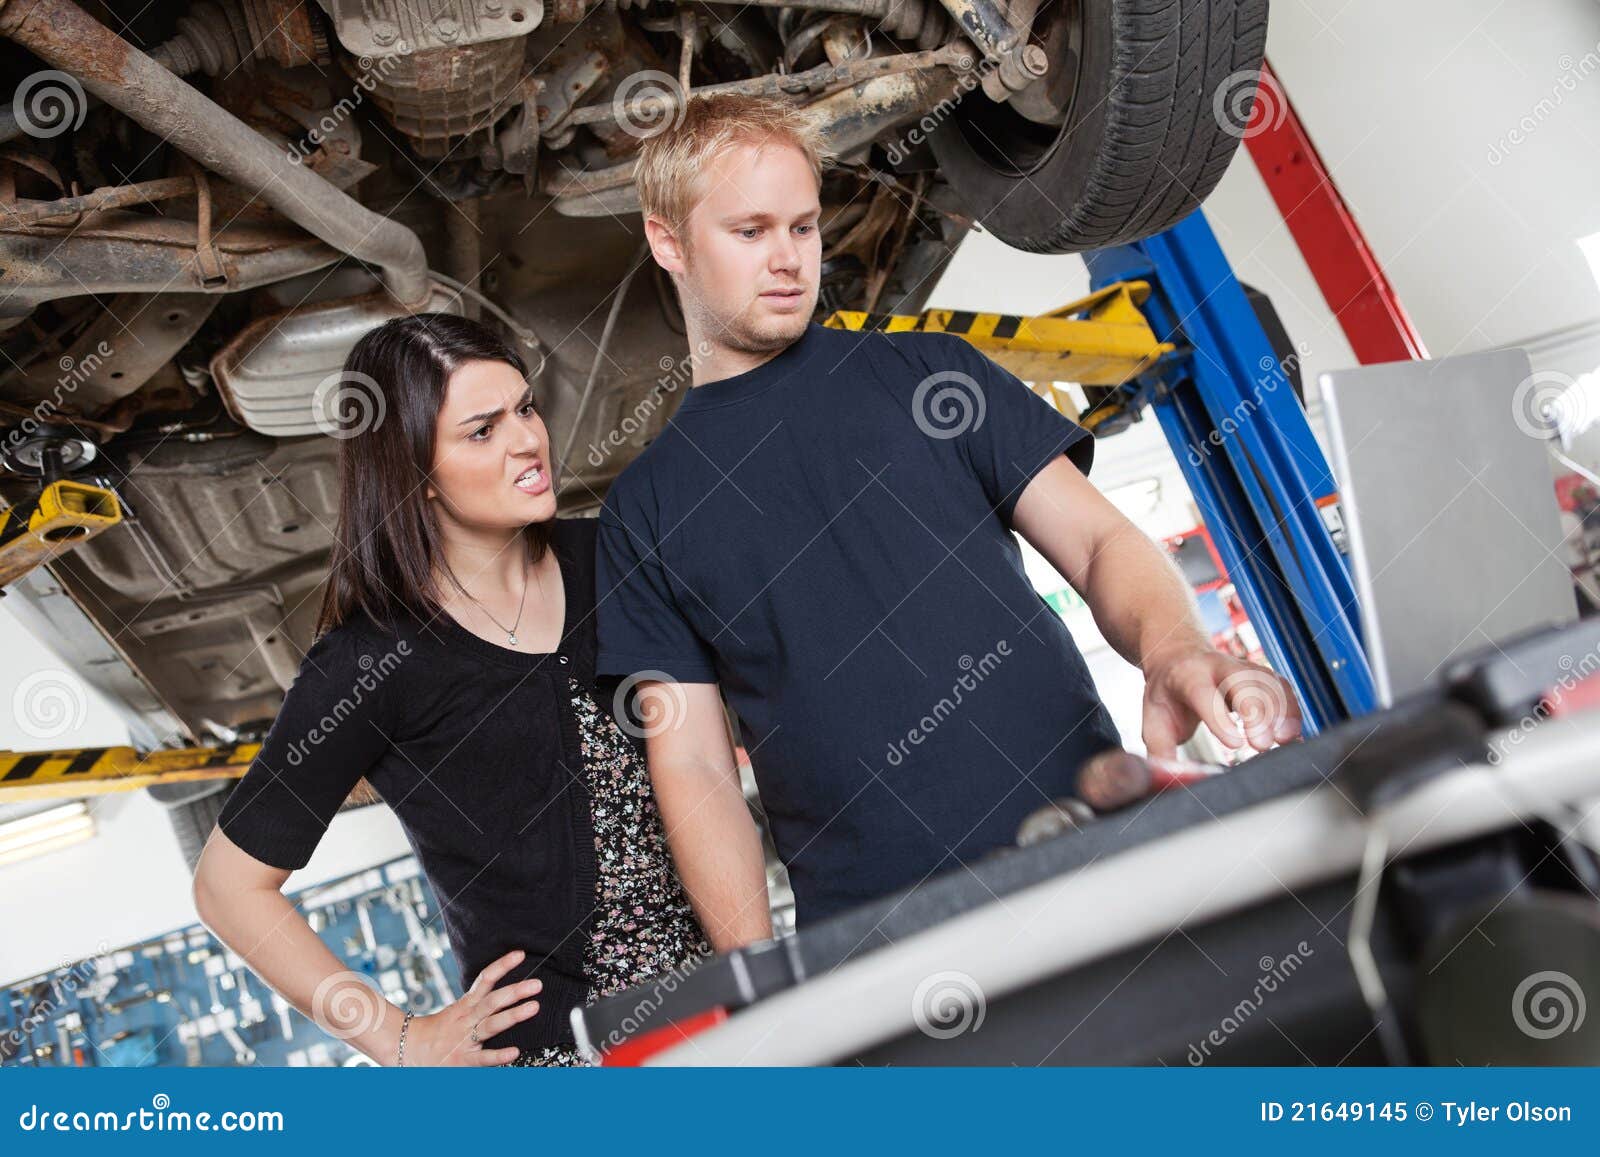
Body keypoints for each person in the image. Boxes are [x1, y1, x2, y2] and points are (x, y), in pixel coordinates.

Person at [593, 93, 1304, 948]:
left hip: (1098, 854)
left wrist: (1175, 650)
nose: (787, 259)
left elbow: (1101, 540)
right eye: (750, 232)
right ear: (668, 240)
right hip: (886, 943)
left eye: (804, 228)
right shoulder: (645, 507)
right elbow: (696, 767)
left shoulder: (928, 370)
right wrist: (759, 980)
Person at [192, 313, 709, 1066]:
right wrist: (401, 1040)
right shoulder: (370, 661)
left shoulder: (609, 557)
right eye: (482, 430)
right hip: (560, 1062)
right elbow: (226, 888)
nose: (528, 440)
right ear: (416, 476)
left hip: (712, 998)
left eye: (526, 409)